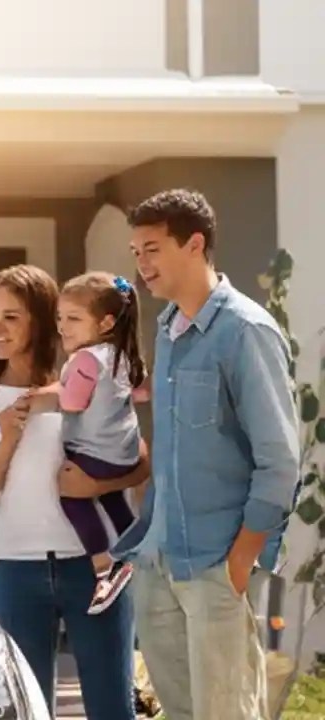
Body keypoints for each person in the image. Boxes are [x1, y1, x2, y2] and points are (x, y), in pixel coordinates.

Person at [106, 189, 300, 720]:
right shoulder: (168, 330)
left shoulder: (246, 331)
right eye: (135, 253)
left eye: (152, 249)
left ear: (194, 245)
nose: (141, 265)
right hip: (160, 562)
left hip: (217, 565)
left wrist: (240, 561)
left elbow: (280, 461)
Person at [0, 264, 149, 720]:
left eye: (11, 317)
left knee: (111, 710)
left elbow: (140, 462)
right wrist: (6, 440)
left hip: (95, 569)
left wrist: (97, 484)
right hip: (17, 573)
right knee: (26, 711)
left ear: (42, 320)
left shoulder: (83, 385)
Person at [27, 271, 149, 615]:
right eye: (60, 318)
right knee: (110, 496)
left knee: (72, 496)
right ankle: (133, 545)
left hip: (94, 453)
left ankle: (102, 565)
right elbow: (140, 393)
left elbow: (72, 404)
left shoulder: (84, 360)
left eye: (74, 319)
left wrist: (51, 392)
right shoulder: (123, 355)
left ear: (106, 322)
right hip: (123, 452)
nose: (63, 326)